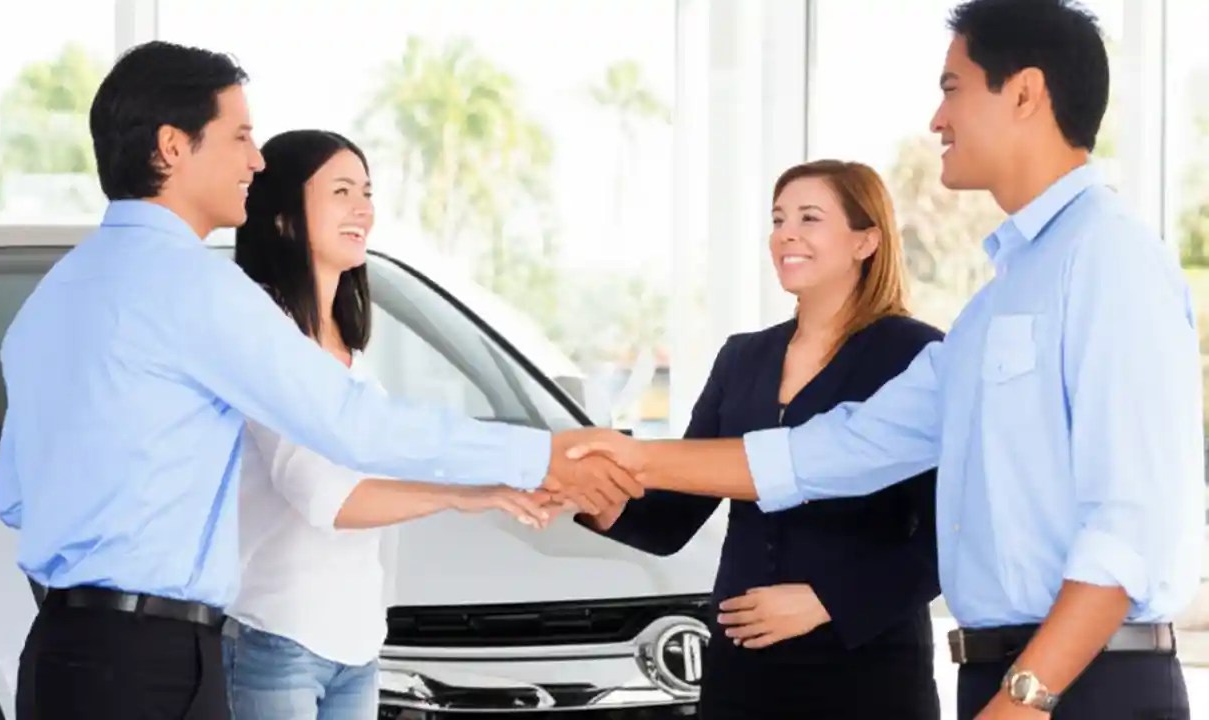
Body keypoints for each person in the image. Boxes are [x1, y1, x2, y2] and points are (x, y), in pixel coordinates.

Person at [568, 2, 1201, 719]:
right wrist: (625, 459)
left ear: (1024, 93)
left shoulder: (1111, 260)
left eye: (952, 87)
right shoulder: (996, 303)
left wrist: (1027, 695)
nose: (937, 118)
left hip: (1079, 684)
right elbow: (836, 448)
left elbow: (1129, 521)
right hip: (1008, 675)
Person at [0, 41, 637, 720]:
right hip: (154, 665)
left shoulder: (52, 298)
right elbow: (351, 426)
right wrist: (541, 453)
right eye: (240, 135)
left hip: (59, 655)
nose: (256, 159)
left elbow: (17, 500)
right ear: (171, 147)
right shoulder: (196, 288)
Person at [577, 160, 943, 719]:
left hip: (865, 668)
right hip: (742, 672)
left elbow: (944, 542)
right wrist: (593, 497)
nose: (785, 234)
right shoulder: (741, 356)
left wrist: (826, 602)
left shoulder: (917, 356)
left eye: (809, 218)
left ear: (865, 240)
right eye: (778, 219)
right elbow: (672, 519)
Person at [221, 128, 557, 719]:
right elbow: (329, 499)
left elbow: (404, 444)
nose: (363, 209)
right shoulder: (267, 340)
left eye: (367, 192)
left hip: (355, 644)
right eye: (341, 191)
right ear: (282, 219)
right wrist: (463, 495)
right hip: (278, 638)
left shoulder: (350, 355)